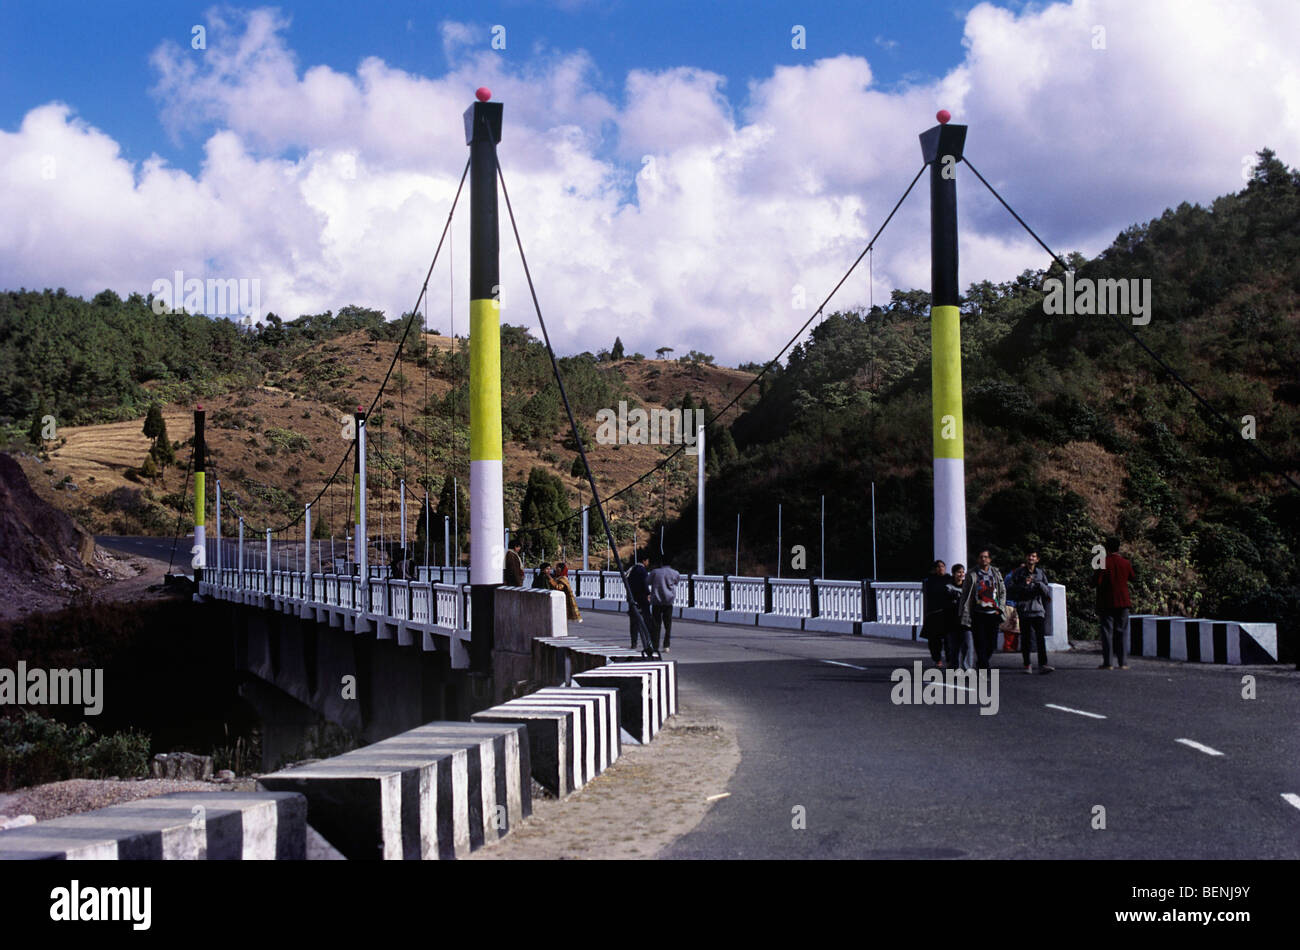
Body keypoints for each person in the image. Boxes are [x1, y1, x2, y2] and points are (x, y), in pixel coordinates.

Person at [1007, 550, 1054, 674]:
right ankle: (1027, 664)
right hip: (1024, 610)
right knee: (1026, 638)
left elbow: (1046, 590)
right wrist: (1024, 584)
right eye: (1029, 555)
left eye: (1033, 556)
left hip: (1038, 609)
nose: (1031, 558)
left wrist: (1037, 584)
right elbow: (1011, 589)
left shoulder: (1040, 573)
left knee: (1040, 638)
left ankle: (1043, 664)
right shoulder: (1018, 573)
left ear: (1037, 559)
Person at [958, 549, 1005, 670]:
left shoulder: (996, 573)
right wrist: (963, 612)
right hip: (978, 613)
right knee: (980, 643)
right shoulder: (972, 574)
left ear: (989, 559)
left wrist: (1000, 609)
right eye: (981, 557)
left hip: (993, 613)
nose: (983, 559)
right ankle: (984, 668)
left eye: (985, 557)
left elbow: (1002, 591)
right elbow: (965, 594)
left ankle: (981, 663)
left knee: (991, 645)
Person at [1096, 535, 1134, 669]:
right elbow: (1132, 577)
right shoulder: (1125, 562)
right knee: (1122, 631)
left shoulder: (1102, 562)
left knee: (1107, 632)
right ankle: (1123, 662)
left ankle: (1108, 663)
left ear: (1107, 548)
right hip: (1123, 601)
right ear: (1118, 548)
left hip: (1107, 602)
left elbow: (1096, 581)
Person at [647, 557, 682, 652]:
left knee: (656, 624)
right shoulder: (675, 573)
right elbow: (676, 582)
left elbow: (648, 581)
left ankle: (655, 645)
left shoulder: (655, 572)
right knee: (668, 624)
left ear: (661, 563)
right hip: (668, 601)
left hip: (656, 601)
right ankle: (666, 645)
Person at [921, 560, 951, 667]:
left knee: (949, 639)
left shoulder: (949, 579)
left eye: (942, 566)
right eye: (938, 567)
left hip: (947, 613)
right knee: (934, 640)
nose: (940, 568)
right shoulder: (929, 580)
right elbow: (926, 597)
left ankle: (949, 659)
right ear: (935, 569)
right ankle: (937, 659)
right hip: (933, 613)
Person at [945, 564, 974, 670]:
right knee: (954, 648)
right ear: (953, 574)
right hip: (952, 622)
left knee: (968, 646)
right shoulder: (948, 587)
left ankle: (968, 669)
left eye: (962, 572)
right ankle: (954, 669)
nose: (961, 574)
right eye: (958, 572)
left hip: (966, 621)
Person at [625, 553, 653, 652]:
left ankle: (634, 642)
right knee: (647, 619)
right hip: (642, 598)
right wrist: (648, 594)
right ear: (644, 561)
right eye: (648, 561)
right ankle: (649, 641)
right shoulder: (643, 571)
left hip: (632, 598)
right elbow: (644, 584)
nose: (648, 563)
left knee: (634, 621)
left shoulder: (631, 569)